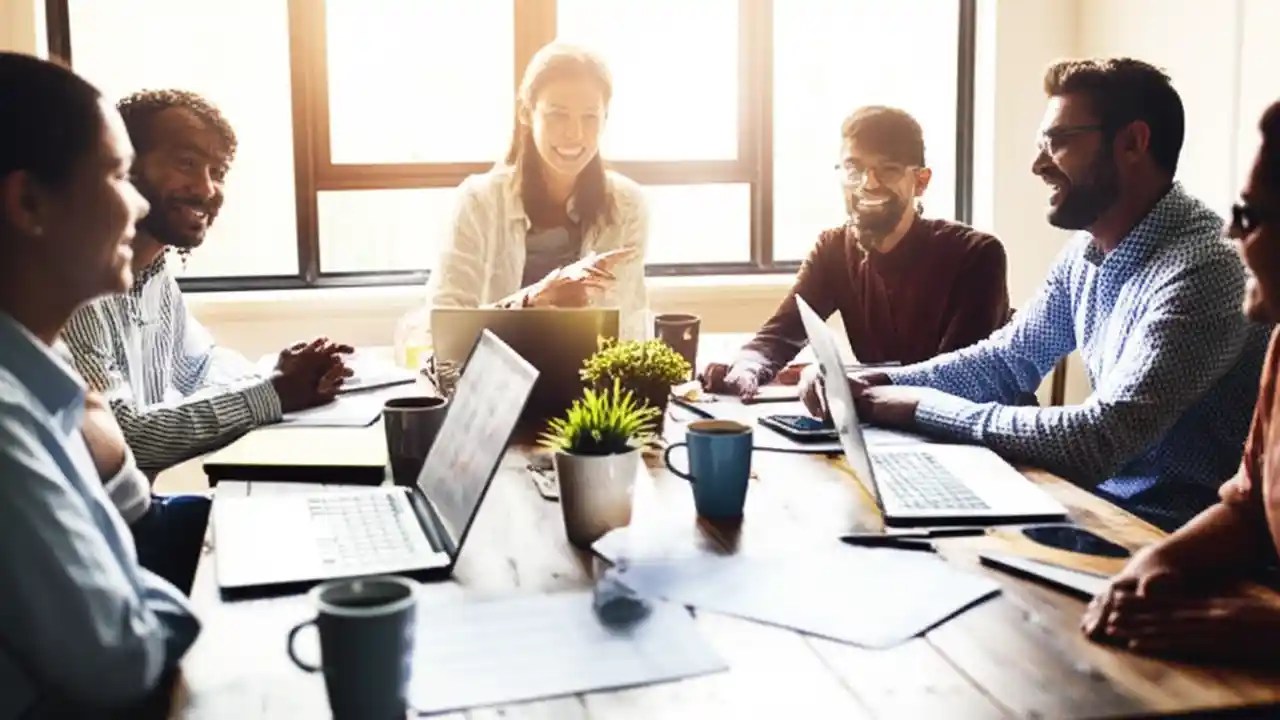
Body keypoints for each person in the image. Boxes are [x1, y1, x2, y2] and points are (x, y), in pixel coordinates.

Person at [806, 58, 1270, 531]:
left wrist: (920, 406)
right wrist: (880, 383)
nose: (1038, 163)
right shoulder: (1085, 253)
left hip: (1175, 542)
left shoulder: (1208, 269)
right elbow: (1007, 359)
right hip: (1095, 508)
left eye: (1060, 141)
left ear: (1132, 143)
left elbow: (1096, 441)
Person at [59, 89, 354, 592]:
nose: (207, 189)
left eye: (217, 173)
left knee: (319, 530)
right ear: (123, 166)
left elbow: (200, 367)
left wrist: (287, 372)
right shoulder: (78, 283)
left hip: (137, 521)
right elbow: (128, 437)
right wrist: (274, 393)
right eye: (188, 163)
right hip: (94, 550)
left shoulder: (156, 276)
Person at [0, 52, 198, 717]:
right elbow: (118, 660)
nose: (139, 203)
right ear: (29, 202)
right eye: (118, 174)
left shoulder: (40, 380)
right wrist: (176, 603)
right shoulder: (5, 427)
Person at [1081, 100, 1280, 663]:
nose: (1230, 233)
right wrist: (1156, 562)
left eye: (1250, 215)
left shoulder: (1200, 265)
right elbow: (1246, 507)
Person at [703, 106, 1011, 398]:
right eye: (854, 168)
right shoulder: (833, 249)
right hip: (891, 428)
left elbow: (954, 381)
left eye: (888, 170)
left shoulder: (977, 256)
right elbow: (780, 333)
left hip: (976, 438)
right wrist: (746, 368)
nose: (868, 184)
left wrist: (849, 381)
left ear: (920, 181)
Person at [426, 42, 650, 342]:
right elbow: (445, 330)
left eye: (590, 117)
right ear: (526, 113)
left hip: (589, 385)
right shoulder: (478, 203)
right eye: (558, 115)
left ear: (605, 118)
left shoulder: (627, 206)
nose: (575, 133)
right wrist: (533, 299)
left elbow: (628, 332)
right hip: (490, 382)